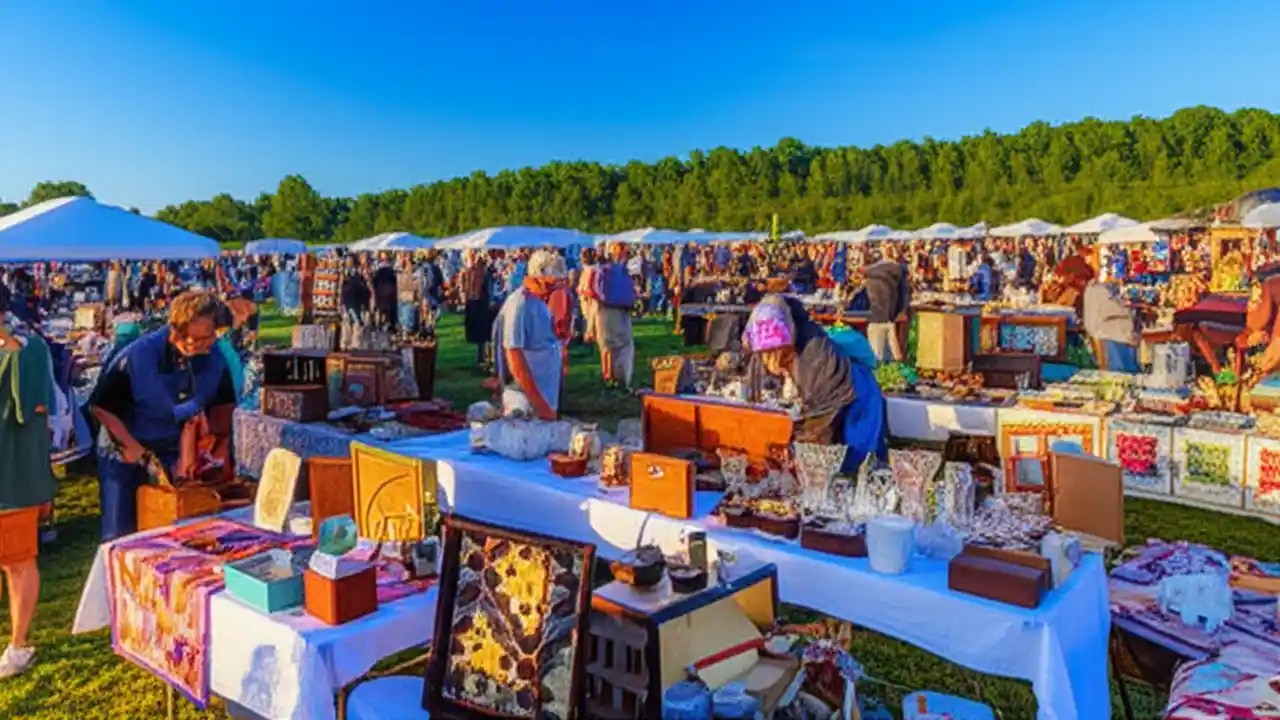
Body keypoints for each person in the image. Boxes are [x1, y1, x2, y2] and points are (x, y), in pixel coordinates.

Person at [89, 291, 236, 540]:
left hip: (169, 448)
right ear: (176, 329)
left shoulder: (214, 358)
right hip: (124, 449)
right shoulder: (136, 357)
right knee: (120, 534)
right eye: (197, 337)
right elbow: (102, 407)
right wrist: (135, 450)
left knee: (172, 527)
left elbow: (222, 408)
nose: (203, 343)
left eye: (209, 336)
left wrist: (216, 448)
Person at [743, 295, 886, 469]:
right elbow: (754, 404)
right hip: (820, 405)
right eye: (766, 354)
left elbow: (820, 420)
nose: (773, 362)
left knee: (856, 463)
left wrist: (797, 448)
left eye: (781, 355)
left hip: (856, 398)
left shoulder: (815, 352)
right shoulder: (759, 353)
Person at [0, 295, 58, 678]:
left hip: (11, 475)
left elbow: (34, 417)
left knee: (18, 561)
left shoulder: (25, 347)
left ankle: (19, 644)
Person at [492, 251, 564, 419]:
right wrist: (539, 404)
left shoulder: (539, 302)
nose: (553, 287)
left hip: (544, 394)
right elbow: (514, 355)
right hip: (524, 398)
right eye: (551, 283)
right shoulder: (519, 304)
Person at [594, 242, 637, 389]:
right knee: (609, 346)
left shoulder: (623, 271)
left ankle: (622, 378)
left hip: (623, 311)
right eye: (620, 250)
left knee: (623, 345)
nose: (624, 254)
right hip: (609, 310)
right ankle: (610, 377)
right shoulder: (605, 271)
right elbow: (601, 293)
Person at [863, 249, 910, 363]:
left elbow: (862, 300)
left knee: (876, 356)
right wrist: (900, 312)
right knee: (894, 357)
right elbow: (904, 296)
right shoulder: (899, 273)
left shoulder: (870, 276)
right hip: (892, 317)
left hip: (875, 317)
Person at [1083, 280, 1140, 372]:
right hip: (1114, 338)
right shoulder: (1099, 290)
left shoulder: (1095, 291)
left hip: (1112, 336)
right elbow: (1111, 310)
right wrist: (1129, 311)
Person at [459, 250, 496, 370]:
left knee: (486, 332)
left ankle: (489, 358)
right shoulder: (466, 272)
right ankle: (481, 358)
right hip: (473, 303)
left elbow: (488, 286)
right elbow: (462, 288)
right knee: (479, 333)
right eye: (471, 256)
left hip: (483, 303)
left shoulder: (484, 271)